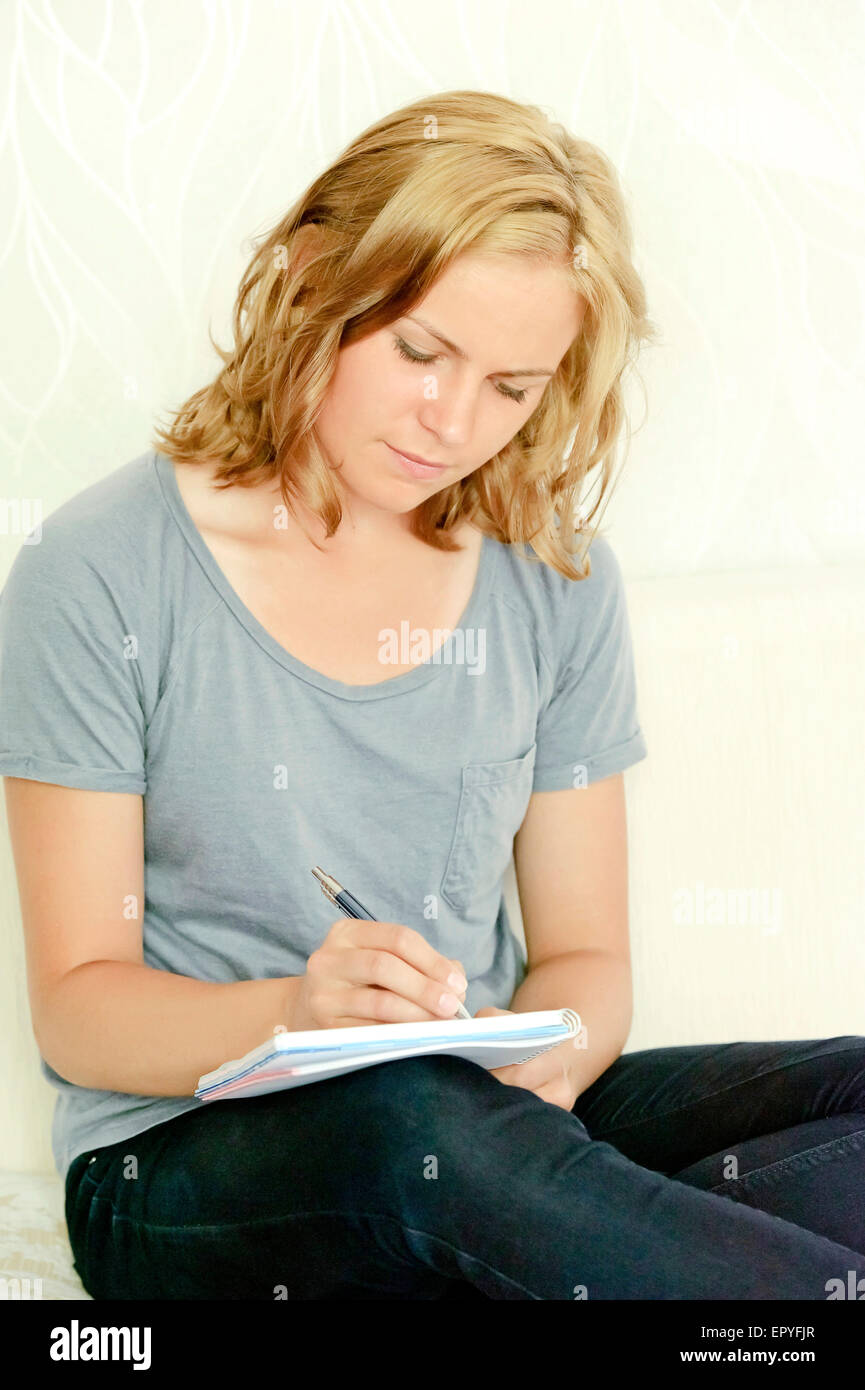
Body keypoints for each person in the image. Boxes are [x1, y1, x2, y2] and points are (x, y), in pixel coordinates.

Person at [2, 89, 864, 1301]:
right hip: (184, 1162)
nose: (453, 423)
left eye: (512, 387)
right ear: (314, 279)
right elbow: (79, 1013)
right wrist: (302, 1012)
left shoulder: (552, 579)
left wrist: (545, 1075)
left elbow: (580, 957)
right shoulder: (96, 569)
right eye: (419, 351)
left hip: (473, 1118)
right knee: (408, 1117)